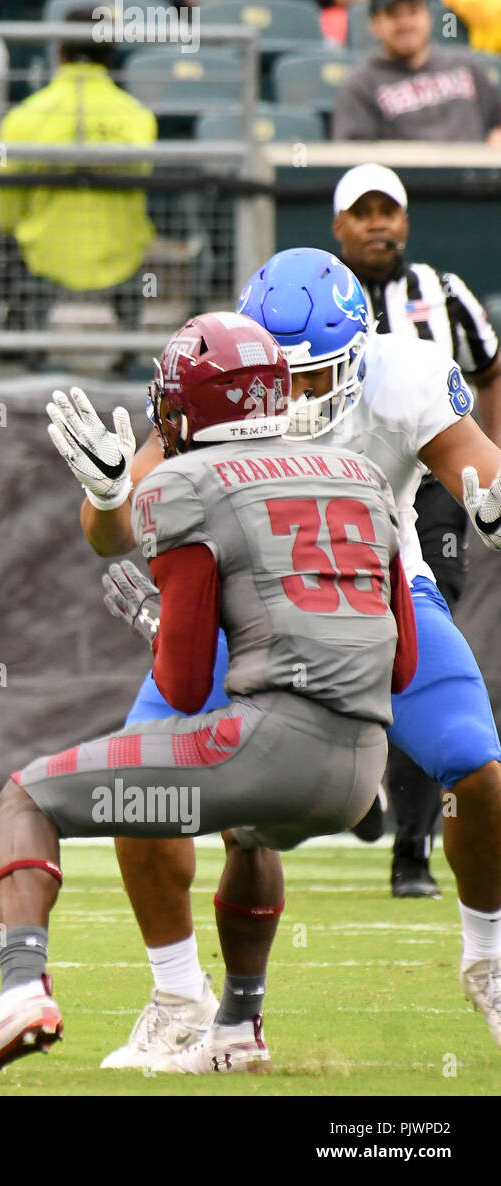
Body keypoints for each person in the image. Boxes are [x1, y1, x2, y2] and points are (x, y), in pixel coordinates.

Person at [0, 312, 418, 1083]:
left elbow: (185, 685)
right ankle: (237, 1027)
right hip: (359, 771)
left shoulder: (184, 482)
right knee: (248, 833)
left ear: (191, 404)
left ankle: (22, 992)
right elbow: (401, 668)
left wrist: (160, 623)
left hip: (269, 749)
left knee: (25, 797)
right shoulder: (361, 476)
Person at [51, 248, 501, 1070]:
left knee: (479, 767)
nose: (291, 395)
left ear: (358, 354)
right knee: (140, 790)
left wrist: (495, 506)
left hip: (373, 590)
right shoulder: (220, 368)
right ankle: (191, 1004)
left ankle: (489, 957)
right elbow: (111, 535)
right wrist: (110, 497)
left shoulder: (400, 376)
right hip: (244, 604)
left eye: (316, 374)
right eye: (278, 373)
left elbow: (481, 474)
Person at [331, 162, 501, 895]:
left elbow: (490, 371)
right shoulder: (304, 294)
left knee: (411, 641)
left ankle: (412, 843)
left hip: (423, 490)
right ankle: (349, 780)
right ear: (337, 225)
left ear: (406, 219)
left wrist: (489, 468)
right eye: (362, 212)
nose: (377, 224)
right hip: (319, 489)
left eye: (388, 210)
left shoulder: (446, 295)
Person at [0, 7, 157, 307]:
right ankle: (131, 342)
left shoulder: (22, 117)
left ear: (60, 53)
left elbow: (5, 210)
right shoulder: (139, 118)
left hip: (41, 257)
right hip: (122, 258)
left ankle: (21, 342)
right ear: (110, 56)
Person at [333, 0, 501, 144]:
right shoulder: (361, 84)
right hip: (406, 179)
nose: (405, 24)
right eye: (394, 15)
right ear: (374, 24)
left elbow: (497, 122)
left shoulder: (467, 67)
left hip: (476, 177)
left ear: (429, 17)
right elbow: (354, 154)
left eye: (413, 12)